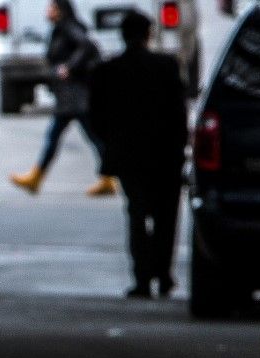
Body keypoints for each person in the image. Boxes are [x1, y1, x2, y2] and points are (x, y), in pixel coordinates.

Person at [88, 8, 187, 298]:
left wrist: (112, 143)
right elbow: (178, 113)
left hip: (129, 155)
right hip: (165, 154)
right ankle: (164, 274)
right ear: (148, 34)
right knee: (166, 216)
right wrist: (180, 148)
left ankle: (142, 277)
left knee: (136, 212)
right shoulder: (166, 67)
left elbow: (96, 117)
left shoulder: (107, 72)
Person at [8, 0, 115, 197]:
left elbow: (87, 45)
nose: (48, 10)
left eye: (52, 7)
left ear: (61, 11)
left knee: (89, 137)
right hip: (69, 97)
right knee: (81, 137)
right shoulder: (60, 29)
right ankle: (37, 177)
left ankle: (108, 176)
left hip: (76, 97)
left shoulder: (68, 27)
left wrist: (69, 68)